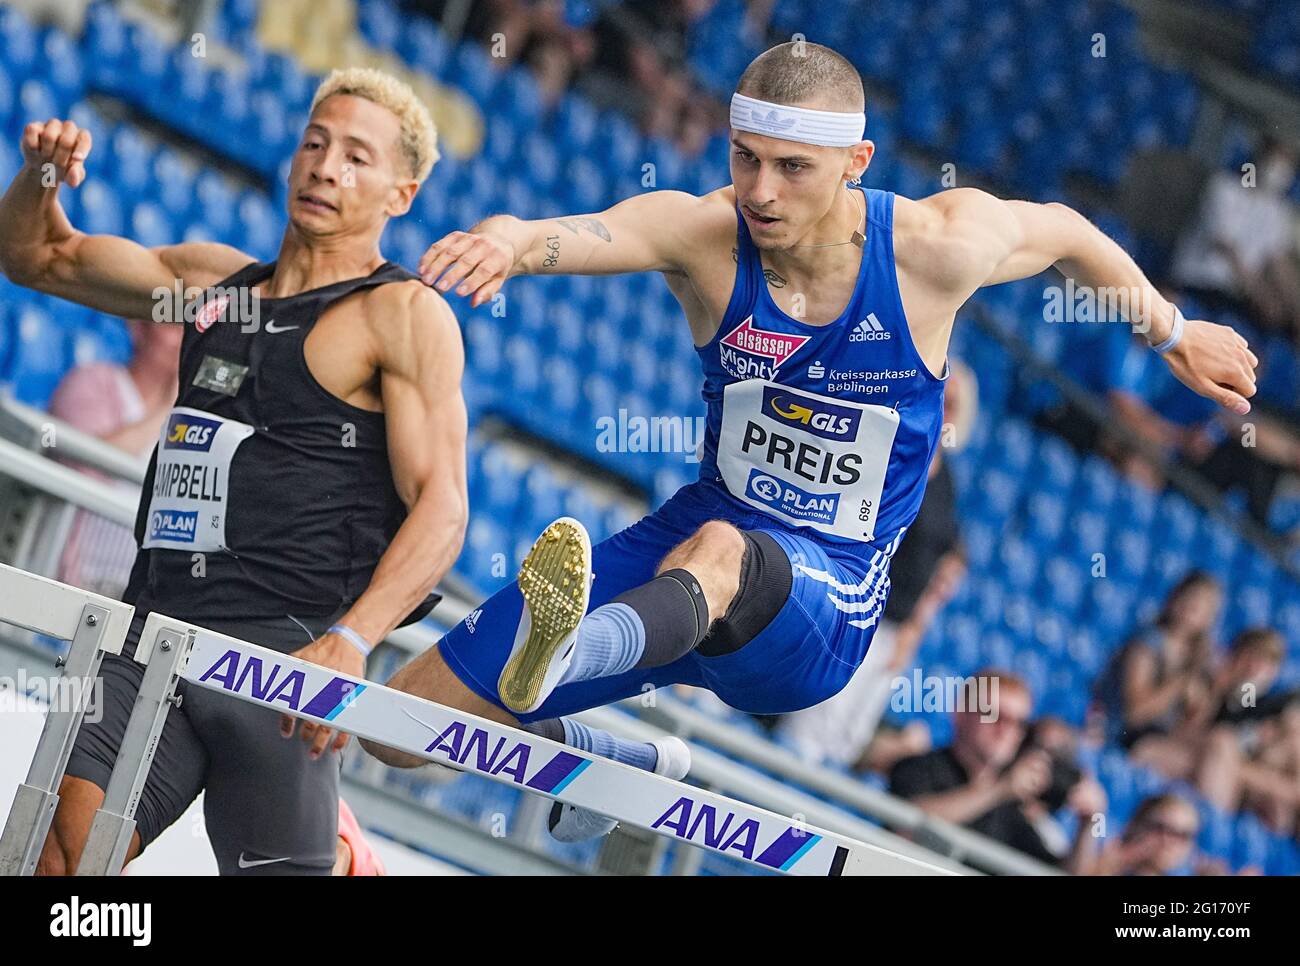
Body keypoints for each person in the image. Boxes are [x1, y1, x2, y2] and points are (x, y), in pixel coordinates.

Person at [369, 41, 1258, 844]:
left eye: (792, 168)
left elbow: (1066, 231)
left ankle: (566, 654)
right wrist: (506, 240)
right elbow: (591, 231)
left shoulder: (934, 249)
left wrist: (1175, 334)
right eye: (745, 158)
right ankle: (608, 757)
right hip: (687, 551)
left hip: (825, 603)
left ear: (856, 163)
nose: (759, 191)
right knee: (403, 731)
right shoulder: (710, 239)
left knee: (722, 550)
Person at [0, 66, 469, 875]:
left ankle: (347, 850)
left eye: (358, 157)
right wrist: (39, 175)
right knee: (53, 862)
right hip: (151, 631)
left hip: (280, 666)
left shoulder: (400, 316)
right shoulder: (219, 290)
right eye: (315, 144)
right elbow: (41, 259)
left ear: (403, 193)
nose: (326, 167)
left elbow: (442, 508)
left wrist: (352, 642)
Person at [888, 671, 1103, 874]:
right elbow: (908, 822)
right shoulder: (918, 767)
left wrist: (1088, 825)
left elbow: (1059, 872)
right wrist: (998, 790)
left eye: (1018, 723)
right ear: (961, 713)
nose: (1006, 731)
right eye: (993, 714)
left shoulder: (1010, 805)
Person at [46, 319, 181, 599]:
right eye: (172, 326)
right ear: (138, 327)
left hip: (138, 591)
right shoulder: (93, 381)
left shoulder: (191, 419)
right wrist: (168, 409)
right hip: (72, 578)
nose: (182, 339)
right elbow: (82, 463)